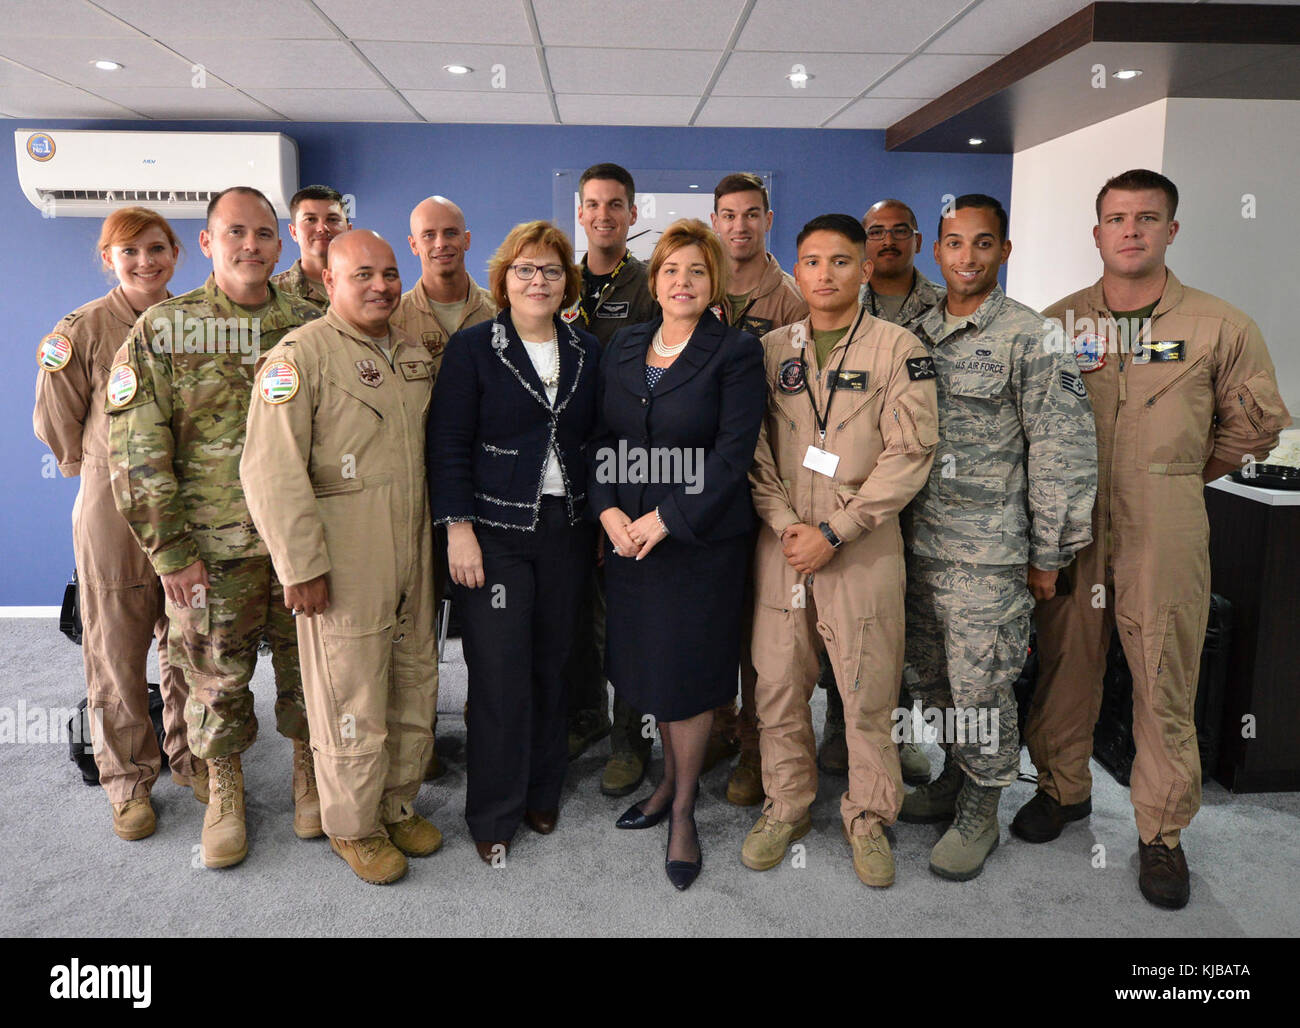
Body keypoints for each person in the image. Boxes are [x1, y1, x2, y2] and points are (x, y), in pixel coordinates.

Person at [1018, 169, 1291, 909]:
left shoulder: (1218, 325)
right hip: (1072, 528)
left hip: (1162, 528)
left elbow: (1253, 427)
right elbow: (1029, 425)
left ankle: (1162, 834)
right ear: (1097, 232)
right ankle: (1062, 789)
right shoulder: (1056, 325)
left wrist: (1173, 477)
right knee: (1066, 666)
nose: (1131, 230)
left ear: (1172, 230)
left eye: (1147, 217)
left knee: (1162, 677)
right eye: (1116, 217)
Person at [106, 186, 323, 869]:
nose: (250, 245)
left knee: (309, 668)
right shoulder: (166, 329)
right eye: (235, 232)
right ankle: (224, 788)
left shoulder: (312, 322)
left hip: (299, 544)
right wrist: (171, 553)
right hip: (211, 548)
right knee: (212, 676)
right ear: (206, 243)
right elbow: (136, 450)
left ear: (279, 246)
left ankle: (308, 772)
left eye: (263, 233)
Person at [900, 194, 1096, 881]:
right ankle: (955, 780)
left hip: (989, 555)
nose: (967, 257)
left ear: (1003, 253)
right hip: (915, 548)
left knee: (983, 689)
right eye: (955, 244)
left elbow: (1059, 449)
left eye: (983, 244)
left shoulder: (1032, 336)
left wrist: (1049, 555)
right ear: (938, 251)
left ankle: (982, 808)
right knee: (930, 684)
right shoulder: (915, 332)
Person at [241, 230, 442, 885]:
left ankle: (396, 802)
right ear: (329, 281)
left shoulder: (411, 353)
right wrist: (300, 567)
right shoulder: (300, 356)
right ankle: (354, 828)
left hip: (412, 547)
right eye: (363, 274)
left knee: (412, 680)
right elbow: (270, 471)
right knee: (351, 694)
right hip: (344, 559)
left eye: (389, 273)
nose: (381, 285)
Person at [745, 214, 938, 887]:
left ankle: (869, 818)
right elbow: (753, 450)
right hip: (782, 541)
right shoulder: (770, 349)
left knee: (865, 689)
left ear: (862, 269)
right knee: (777, 683)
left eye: (839, 262)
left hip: (861, 543)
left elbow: (910, 454)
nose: (824, 275)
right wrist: (785, 522)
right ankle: (787, 804)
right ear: (796, 270)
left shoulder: (897, 348)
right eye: (812, 262)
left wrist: (836, 531)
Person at [594, 218, 765, 891]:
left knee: (691, 676)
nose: (683, 282)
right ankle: (666, 784)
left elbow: (731, 458)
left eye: (697, 271)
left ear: (712, 281)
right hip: (629, 540)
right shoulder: (627, 344)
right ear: (655, 280)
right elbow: (603, 434)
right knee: (652, 670)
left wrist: (665, 520)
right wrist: (607, 510)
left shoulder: (734, 353)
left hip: (696, 543)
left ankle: (684, 808)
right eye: (671, 270)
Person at [428, 221, 600, 864]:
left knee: (554, 665)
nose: (538, 281)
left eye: (551, 271)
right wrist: (459, 531)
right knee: (500, 675)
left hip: (568, 532)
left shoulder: (586, 350)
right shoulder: (475, 349)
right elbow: (446, 445)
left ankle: (541, 789)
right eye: (525, 270)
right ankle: (494, 811)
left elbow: (598, 442)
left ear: (566, 283)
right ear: (504, 280)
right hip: (495, 534)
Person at [33, 207, 203, 841]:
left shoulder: (197, 323)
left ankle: (191, 760)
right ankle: (128, 780)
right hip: (112, 504)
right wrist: (95, 468)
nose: (144, 262)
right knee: (116, 649)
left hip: (190, 502)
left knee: (189, 641)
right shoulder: (80, 330)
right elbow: (56, 420)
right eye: (128, 252)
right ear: (109, 258)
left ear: (176, 251)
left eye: (156, 248)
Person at [819, 198, 944, 786]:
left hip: (938, 505)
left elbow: (911, 446)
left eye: (899, 232)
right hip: (835, 506)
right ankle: (836, 733)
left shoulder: (939, 312)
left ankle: (893, 744)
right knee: (834, 639)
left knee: (892, 643)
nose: (887, 241)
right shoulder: (802, 331)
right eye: (877, 233)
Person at [708, 172, 810, 808]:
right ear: (715, 220)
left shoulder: (795, 300)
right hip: (707, 483)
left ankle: (753, 742)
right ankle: (715, 724)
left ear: (768, 219)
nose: (739, 226)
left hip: (772, 482)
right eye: (728, 215)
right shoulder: (697, 283)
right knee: (713, 613)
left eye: (751, 214)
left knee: (766, 631)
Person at [392, 194, 498, 781]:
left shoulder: (499, 315)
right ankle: (418, 741)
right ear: (414, 244)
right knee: (414, 630)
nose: (440, 243)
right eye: (428, 234)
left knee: (487, 625)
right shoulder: (389, 316)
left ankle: (487, 727)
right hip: (409, 497)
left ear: (467, 238)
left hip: (484, 497)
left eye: (450, 232)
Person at [565, 163, 659, 798]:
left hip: (628, 463)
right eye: (593, 205)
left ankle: (631, 737)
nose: (603, 215)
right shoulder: (555, 277)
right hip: (561, 465)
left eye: (615, 206)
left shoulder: (652, 284)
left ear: (631, 215)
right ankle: (585, 716)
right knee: (574, 609)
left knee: (627, 611)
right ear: (580, 213)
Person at [271, 184, 350, 310]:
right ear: (294, 232)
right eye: (311, 219)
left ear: (348, 230)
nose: (322, 228)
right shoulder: (270, 294)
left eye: (333, 219)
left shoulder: (370, 287)